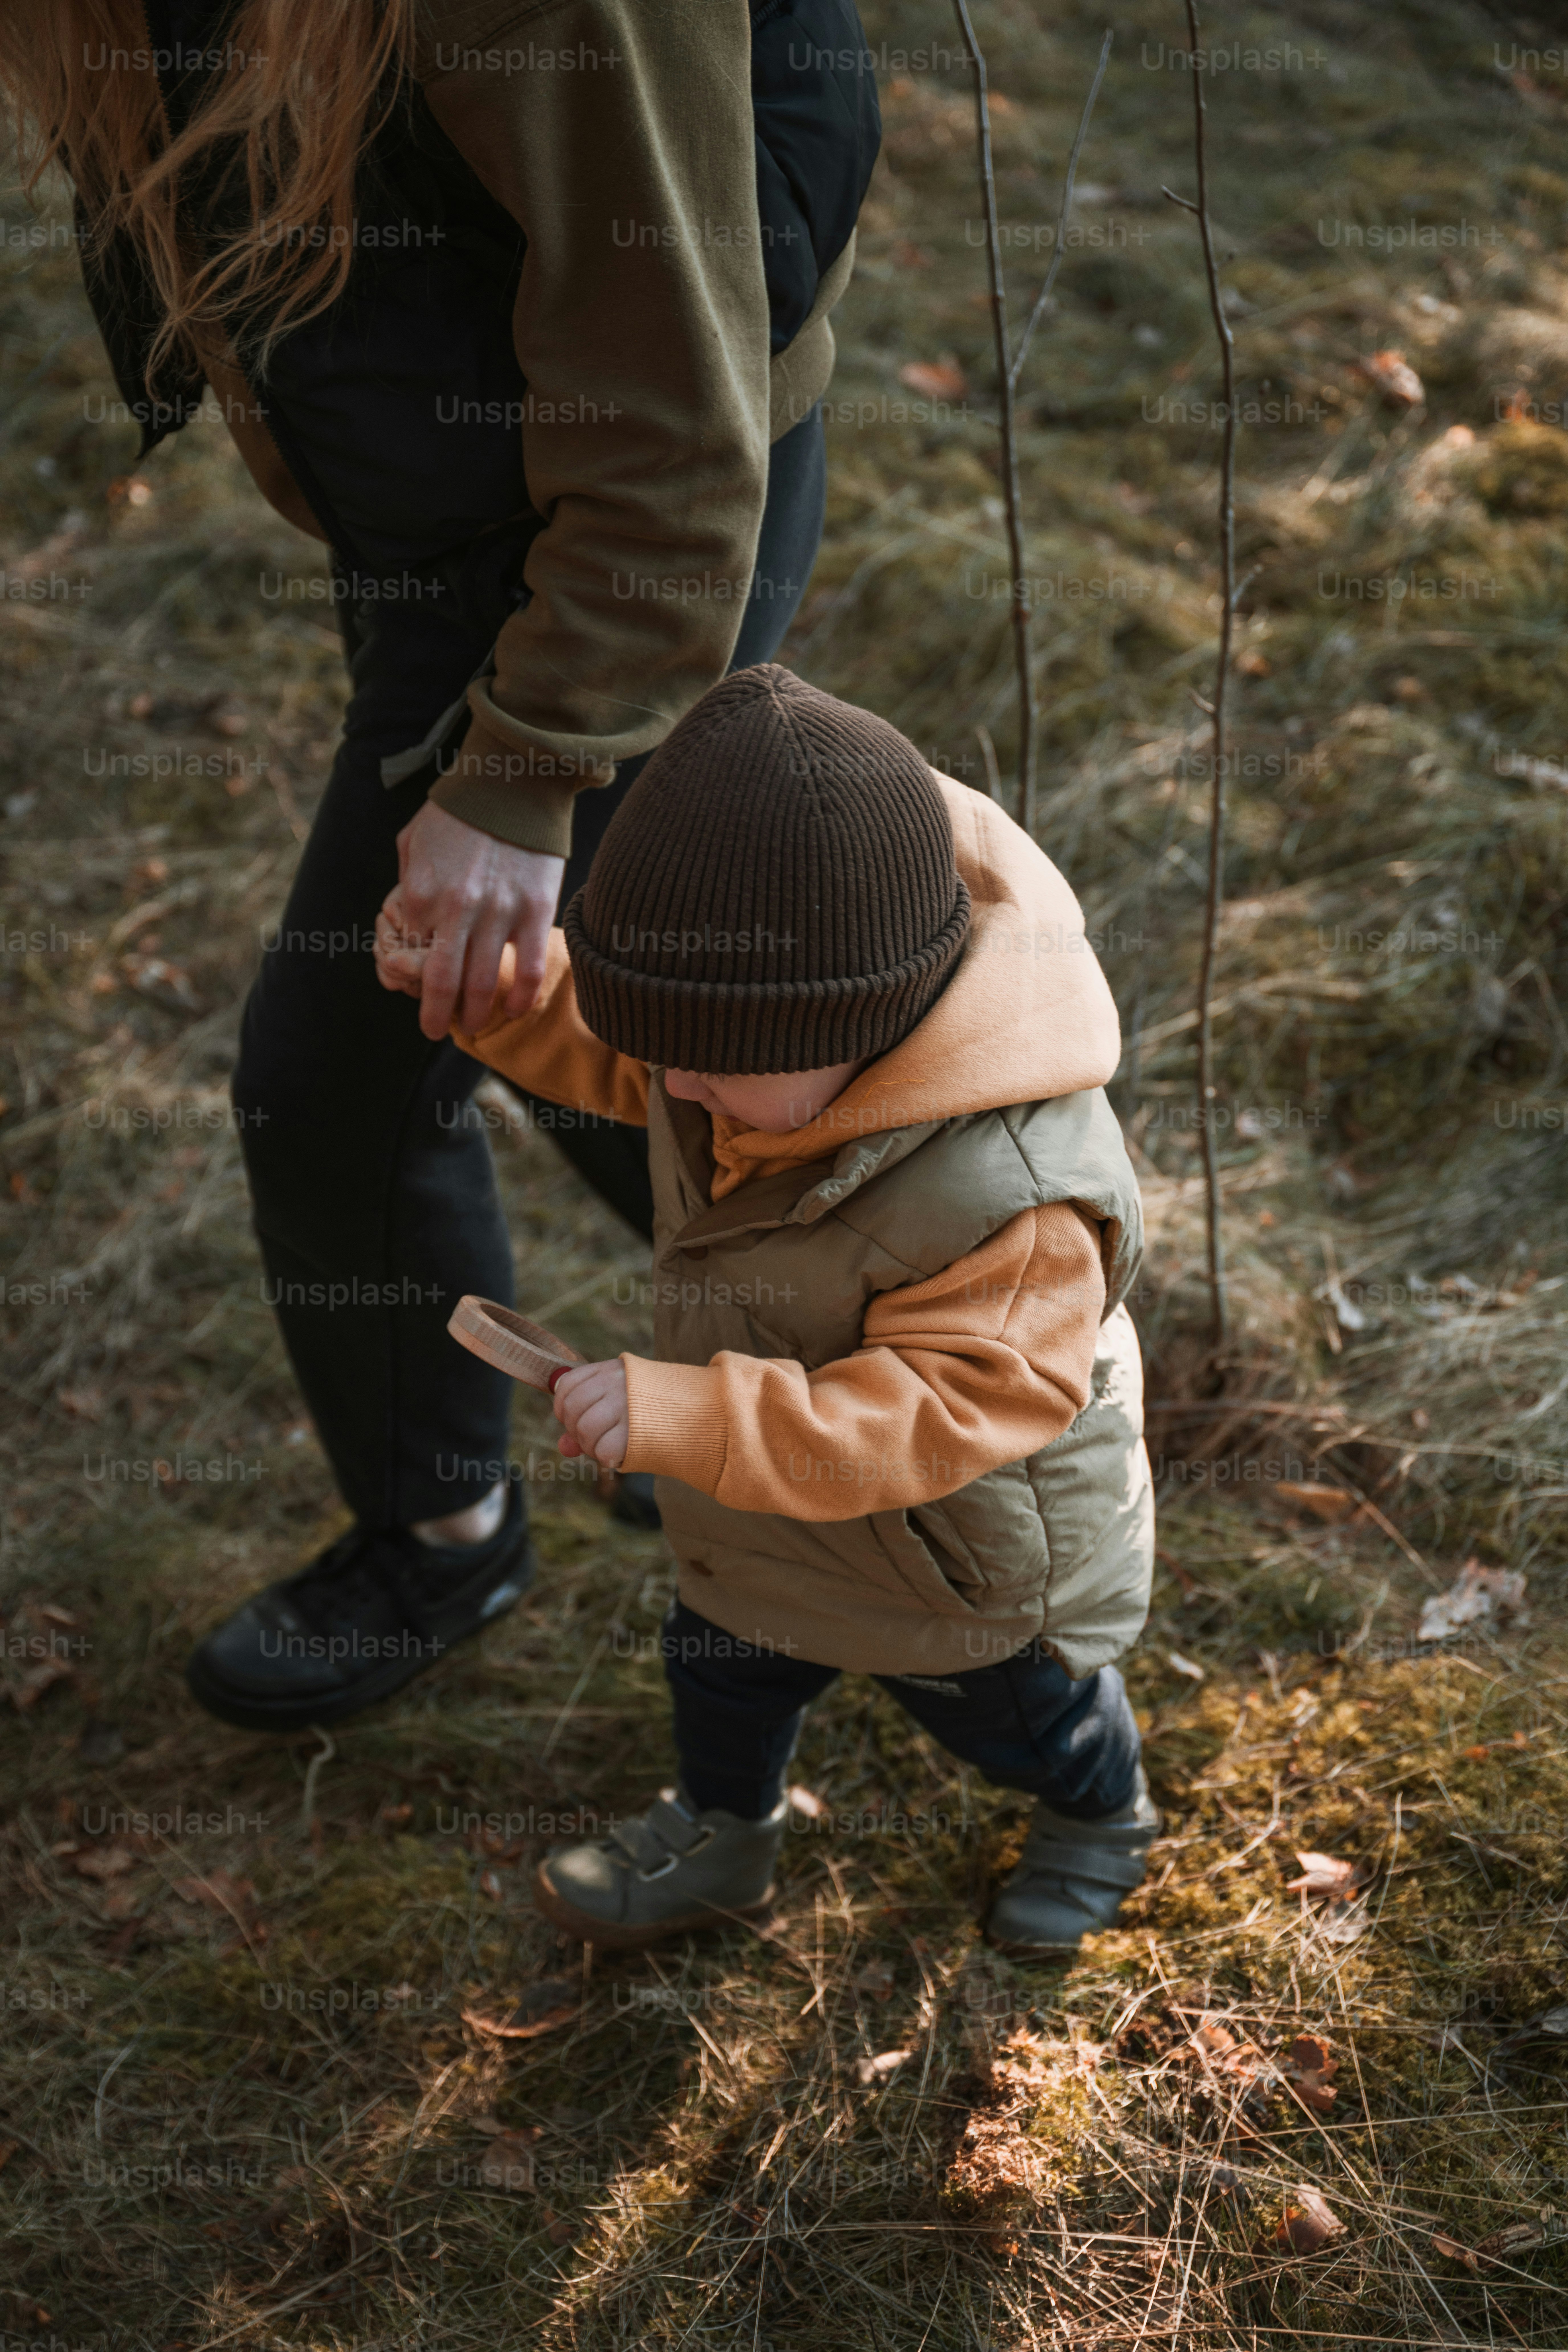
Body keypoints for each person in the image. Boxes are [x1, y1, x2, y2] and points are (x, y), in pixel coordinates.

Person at [1, 1, 879, 1730]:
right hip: (447, 498)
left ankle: (886, 1424)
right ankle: (807, 1394)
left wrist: (527, 771)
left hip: (615, 534)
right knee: (569, 1019)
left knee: (342, 1075)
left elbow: (674, 427)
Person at [376, 664, 1158, 1958]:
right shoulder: (750, 1048)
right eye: (665, 1046)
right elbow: (630, 1043)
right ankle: (725, 1826)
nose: (675, 1086)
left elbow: (949, 1408)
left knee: (1020, 1720)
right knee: (722, 1669)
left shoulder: (1015, 1199)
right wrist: (504, 994)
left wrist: (692, 1412)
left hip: (953, 1555)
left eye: (714, 1065)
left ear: (864, 1025)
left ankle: (1101, 1814)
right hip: (755, 1504)